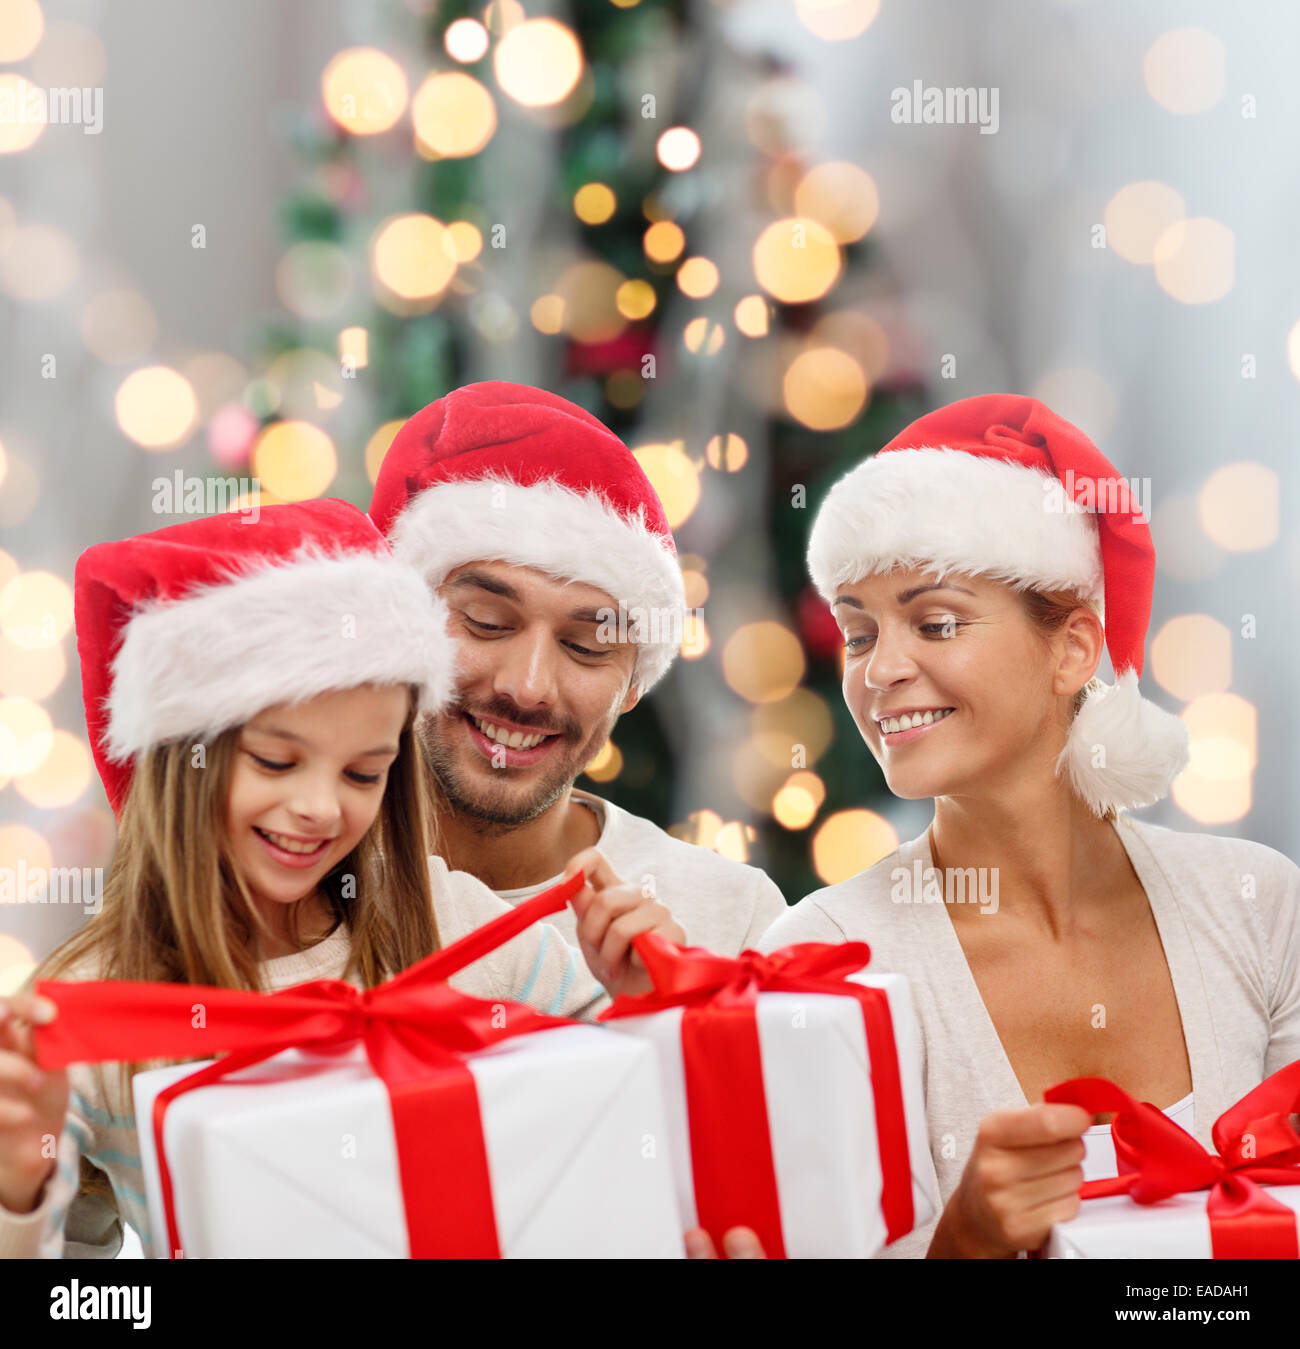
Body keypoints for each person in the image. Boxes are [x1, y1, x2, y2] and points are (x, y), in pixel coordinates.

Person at [0, 499, 683, 1258]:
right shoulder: (97, 1013)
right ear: (180, 759)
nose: (320, 808)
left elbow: (625, 1129)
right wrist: (19, 1190)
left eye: (364, 773)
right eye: (275, 761)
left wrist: (649, 1006)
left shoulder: (460, 924)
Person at [759, 394, 1300, 1259]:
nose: (882, 669)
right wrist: (963, 1243)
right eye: (858, 632)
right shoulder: (823, 963)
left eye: (934, 622)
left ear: (1074, 649)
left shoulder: (1257, 904)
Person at [369, 381, 786, 957]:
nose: (529, 687)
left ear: (634, 684)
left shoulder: (732, 923)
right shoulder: (278, 888)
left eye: (588, 646)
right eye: (487, 622)